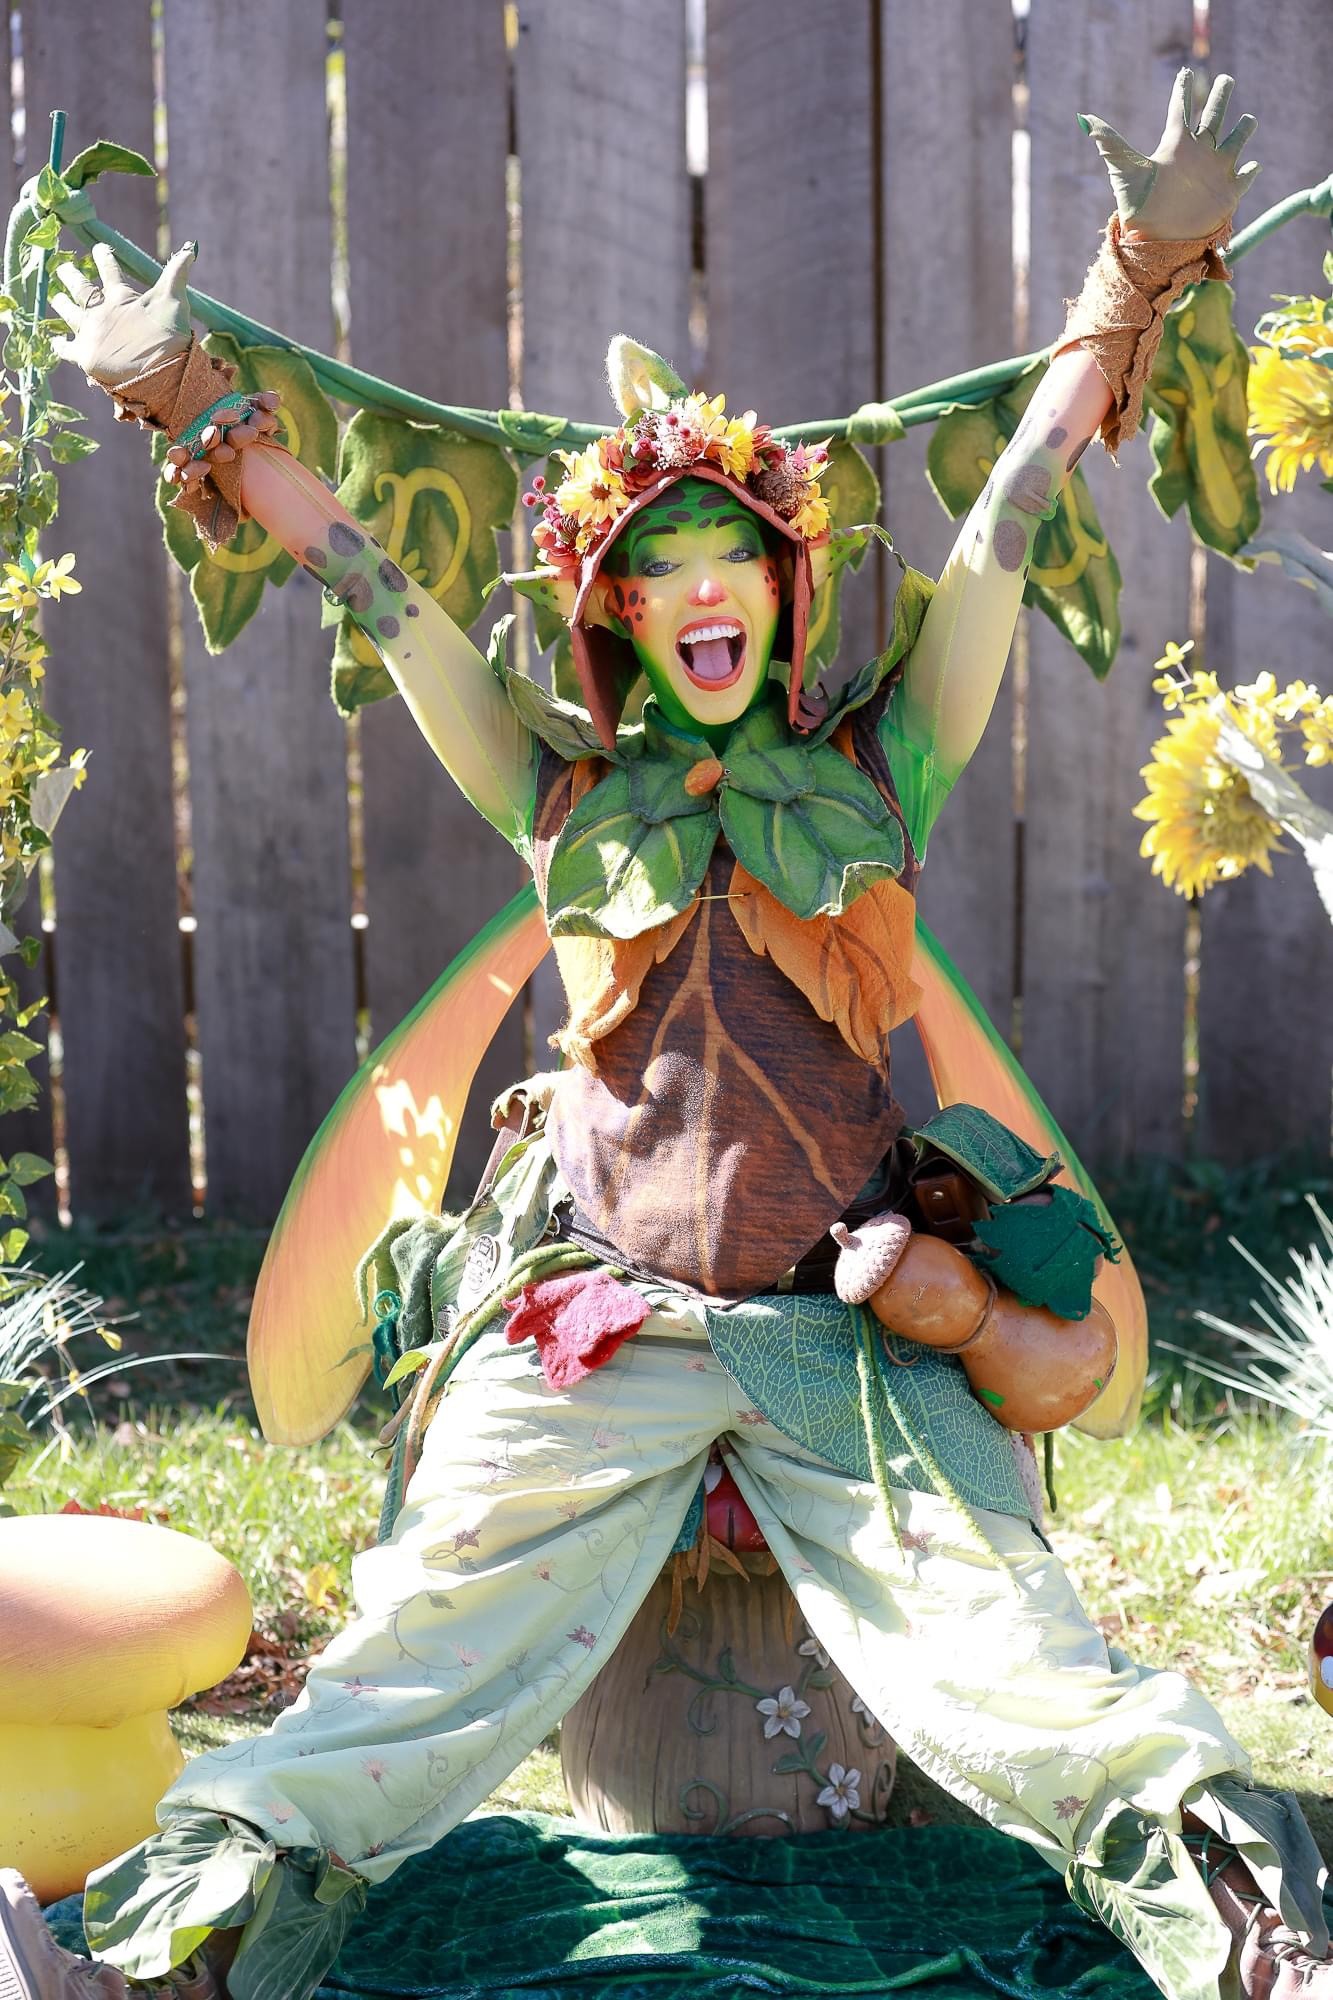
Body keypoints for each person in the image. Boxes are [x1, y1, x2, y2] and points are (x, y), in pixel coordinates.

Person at [3, 67, 1328, 2000]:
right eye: (655, 575)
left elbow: (1011, 513)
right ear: (611, 612)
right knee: (414, 1653)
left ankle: (1256, 1944)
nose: (697, 597)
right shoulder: (556, 795)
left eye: (734, 568)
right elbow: (374, 584)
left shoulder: (885, 761)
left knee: (1017, 1656)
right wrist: (196, 410)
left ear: (786, 592)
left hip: (851, 1333)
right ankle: (166, 1950)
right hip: (601, 1325)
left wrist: (1135, 279)